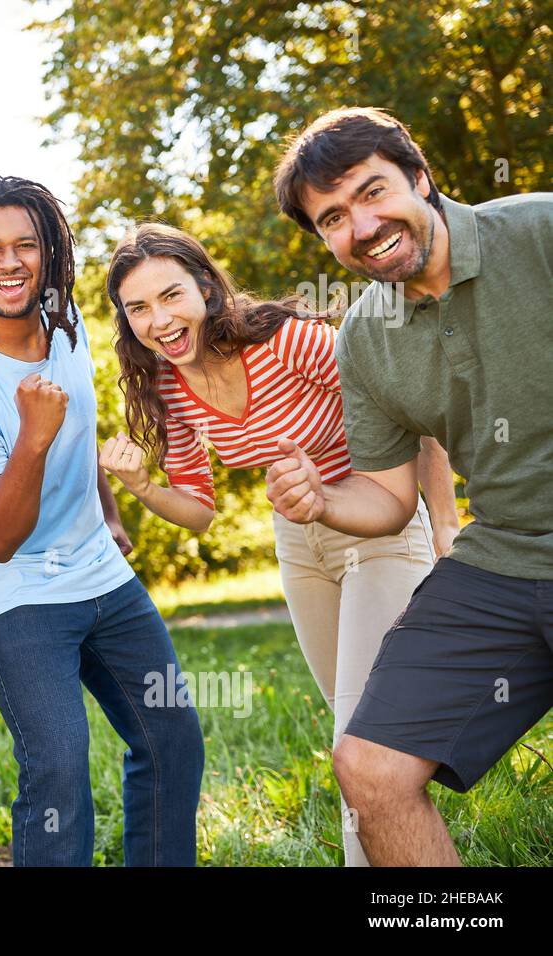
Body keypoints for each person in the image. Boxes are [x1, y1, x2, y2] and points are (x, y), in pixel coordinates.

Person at [101, 222, 458, 866]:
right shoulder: (169, 386)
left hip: (380, 512)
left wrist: (446, 526)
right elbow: (200, 512)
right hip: (299, 541)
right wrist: (143, 485)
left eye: (171, 295)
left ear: (207, 288)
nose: (159, 319)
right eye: (138, 308)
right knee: (358, 735)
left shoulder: (287, 343)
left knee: (362, 742)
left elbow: (413, 411)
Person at [269, 106, 553, 865]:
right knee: (370, 768)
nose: (361, 225)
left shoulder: (538, 231)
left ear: (421, 179)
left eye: (372, 192)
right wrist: (321, 501)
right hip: (503, 561)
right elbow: (390, 499)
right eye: (333, 217)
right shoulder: (363, 337)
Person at [0, 175, 203, 866]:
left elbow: (83, 428)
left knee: (172, 739)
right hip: (13, 594)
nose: (10, 261)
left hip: (100, 573)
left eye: (26, 244)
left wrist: (105, 510)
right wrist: (33, 437)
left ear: (49, 253)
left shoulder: (65, 329)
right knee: (59, 771)